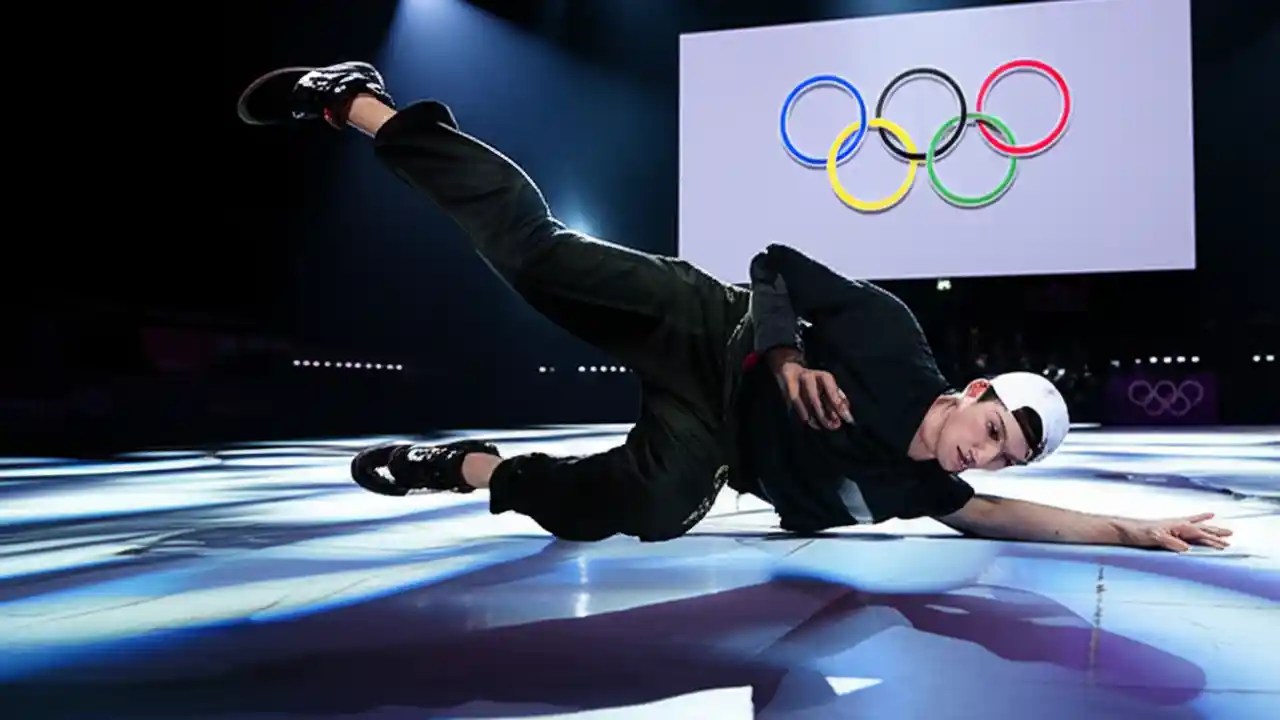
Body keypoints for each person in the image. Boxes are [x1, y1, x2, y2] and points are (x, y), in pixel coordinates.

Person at [237, 61, 1232, 553]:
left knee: (644, 511)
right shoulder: (892, 337)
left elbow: (1002, 517)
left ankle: (458, 467)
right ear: (974, 392)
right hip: (704, 324)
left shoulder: (927, 487)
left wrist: (1132, 532)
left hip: (714, 435)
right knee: (531, 252)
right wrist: (789, 356)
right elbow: (776, 262)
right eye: (994, 431)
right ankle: (354, 102)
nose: (986, 455)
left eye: (1002, 455)